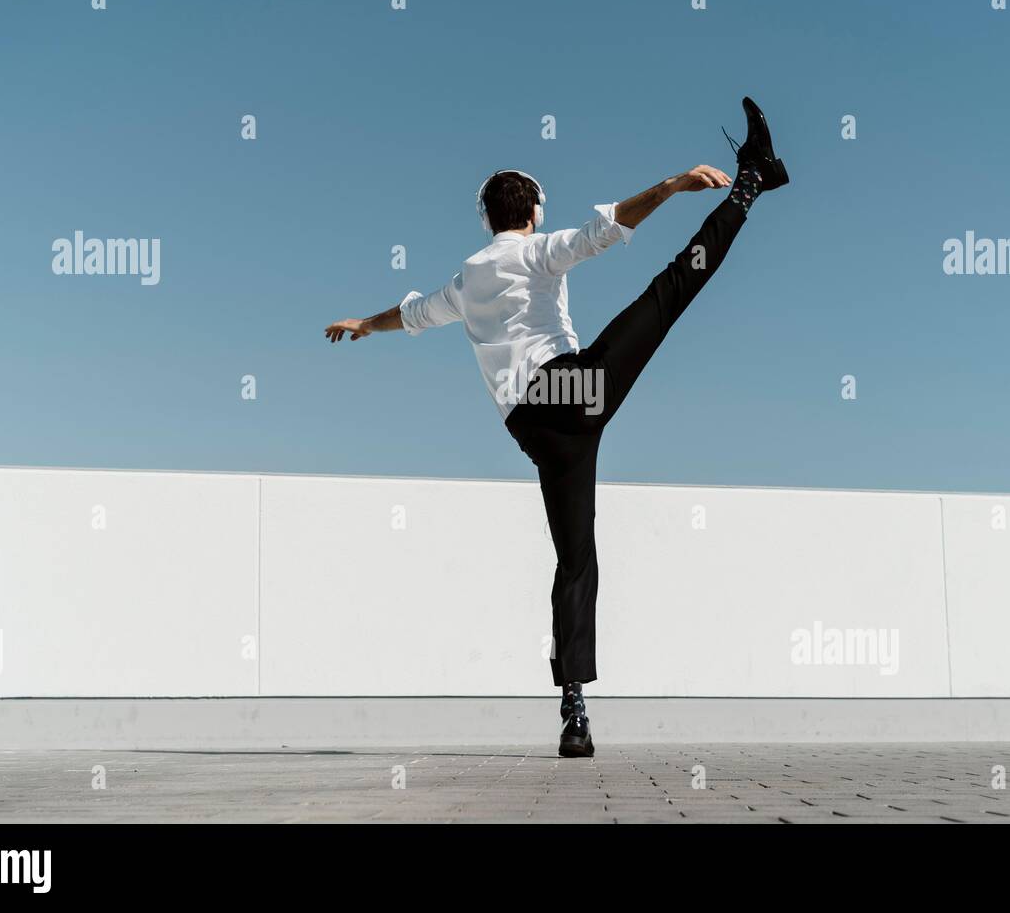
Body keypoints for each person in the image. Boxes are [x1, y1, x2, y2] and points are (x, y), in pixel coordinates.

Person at [325, 97, 788, 757]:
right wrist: (672, 184)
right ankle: (752, 180)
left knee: (575, 558)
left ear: (487, 217)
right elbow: (607, 228)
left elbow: (416, 315)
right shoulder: (540, 251)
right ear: (534, 211)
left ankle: (574, 708)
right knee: (670, 291)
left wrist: (366, 324)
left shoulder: (465, 279)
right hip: (573, 391)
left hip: (533, 429)